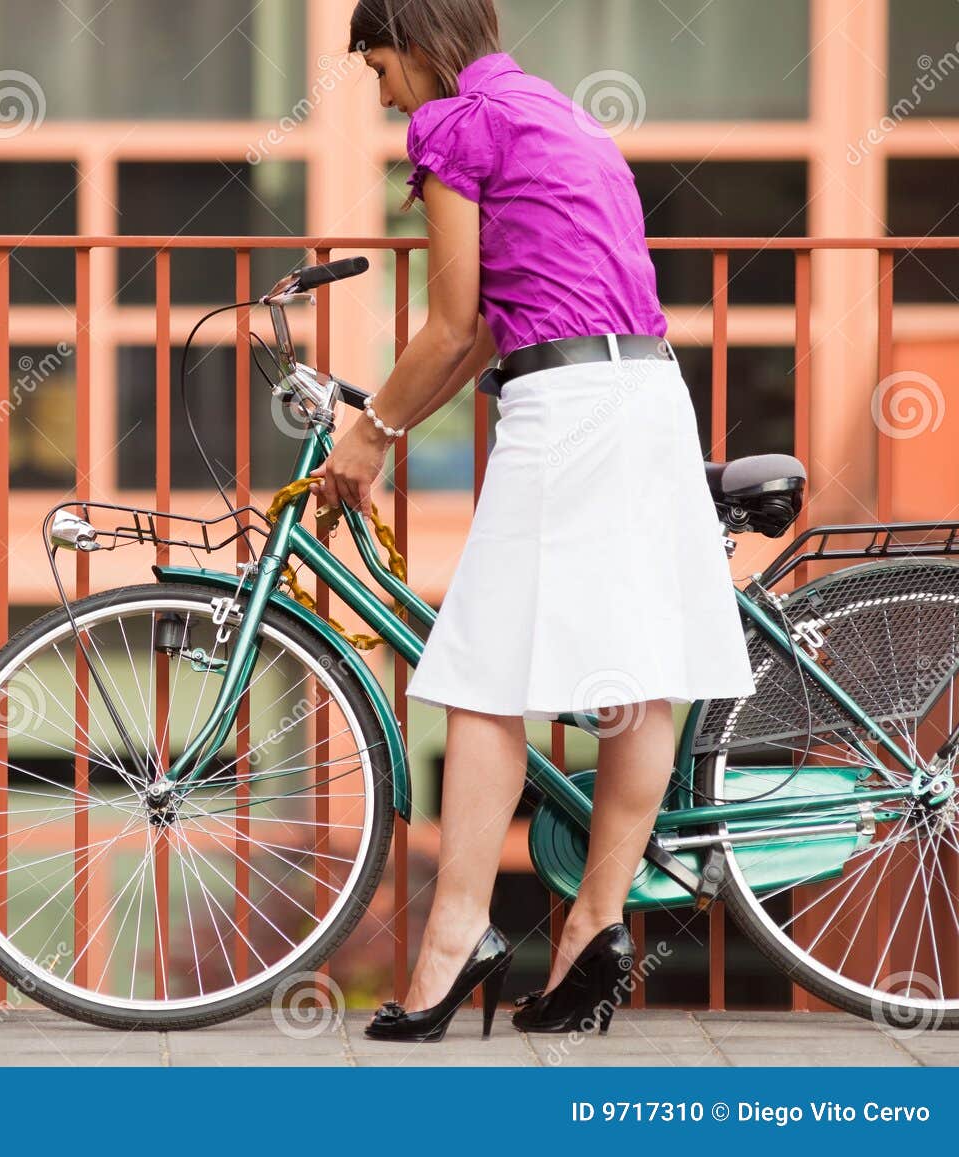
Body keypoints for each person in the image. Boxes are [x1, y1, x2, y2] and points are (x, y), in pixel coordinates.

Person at [312, 0, 756, 1041]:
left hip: (568, 415)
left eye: (378, 69)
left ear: (416, 45)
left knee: (479, 674)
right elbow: (486, 330)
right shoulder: (555, 112)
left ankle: (454, 935)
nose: (382, 98)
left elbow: (454, 318)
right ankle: (594, 927)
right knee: (639, 672)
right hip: (648, 392)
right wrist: (394, 412)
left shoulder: (453, 123)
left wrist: (369, 431)